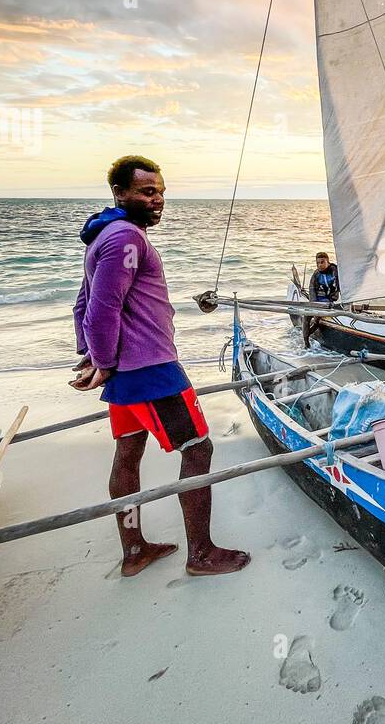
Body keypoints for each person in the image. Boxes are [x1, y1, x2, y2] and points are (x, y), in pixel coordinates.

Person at [71, 155, 250, 578]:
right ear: (120, 193)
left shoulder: (103, 238)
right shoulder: (126, 240)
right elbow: (102, 308)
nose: (158, 200)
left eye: (161, 192)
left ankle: (134, 550)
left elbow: (83, 304)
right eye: (147, 192)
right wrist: (102, 361)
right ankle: (201, 554)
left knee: (128, 454)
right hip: (150, 370)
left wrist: (90, 356)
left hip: (127, 374)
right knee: (198, 448)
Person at [301, 251, 340, 347]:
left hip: (328, 300)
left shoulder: (335, 271)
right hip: (317, 300)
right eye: (317, 263)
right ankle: (306, 342)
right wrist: (314, 304)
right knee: (306, 316)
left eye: (322, 262)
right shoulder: (316, 274)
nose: (319, 265)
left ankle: (314, 327)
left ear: (328, 262)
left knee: (317, 319)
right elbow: (311, 289)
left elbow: (341, 286)